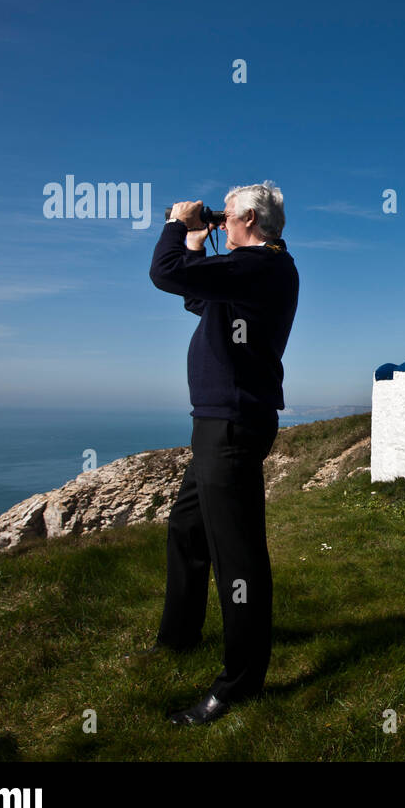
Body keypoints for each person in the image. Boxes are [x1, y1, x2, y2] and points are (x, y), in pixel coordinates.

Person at [144, 181, 299, 725]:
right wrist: (196, 238)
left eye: (227, 216)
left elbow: (165, 274)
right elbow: (193, 293)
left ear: (250, 219)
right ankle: (179, 638)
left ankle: (238, 683)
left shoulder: (266, 265)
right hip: (216, 424)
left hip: (232, 427)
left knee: (239, 560)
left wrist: (177, 225)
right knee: (187, 530)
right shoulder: (250, 269)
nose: (222, 222)